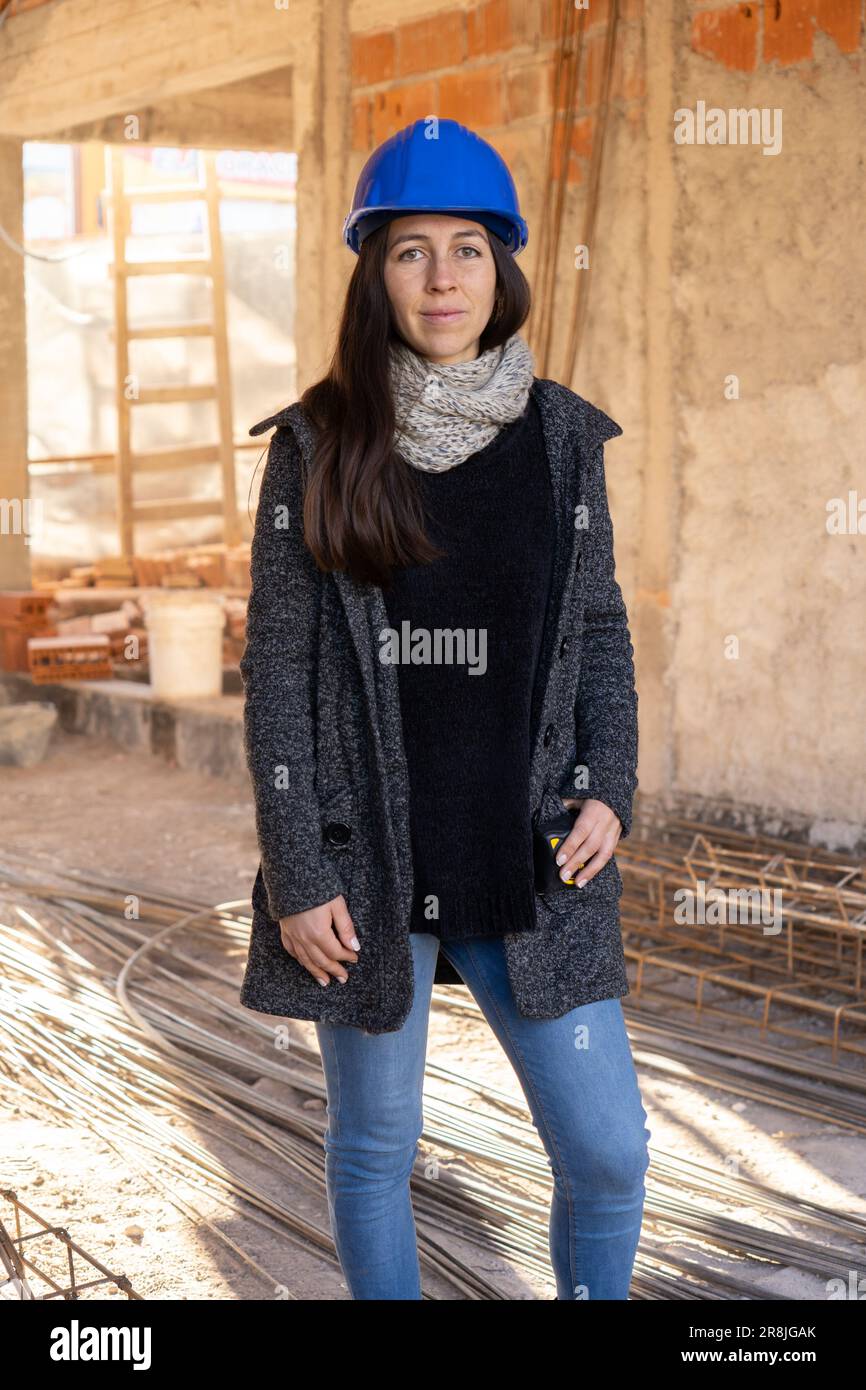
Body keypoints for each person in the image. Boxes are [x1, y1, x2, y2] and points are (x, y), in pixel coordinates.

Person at [240, 117, 650, 1300]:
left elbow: (597, 627)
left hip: (524, 848)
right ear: (375, 272)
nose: (440, 278)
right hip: (362, 859)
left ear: (500, 267)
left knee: (608, 1153)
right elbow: (276, 668)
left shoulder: (564, 439)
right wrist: (297, 873)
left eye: (465, 247)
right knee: (375, 1148)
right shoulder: (319, 444)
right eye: (410, 250)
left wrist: (608, 784)